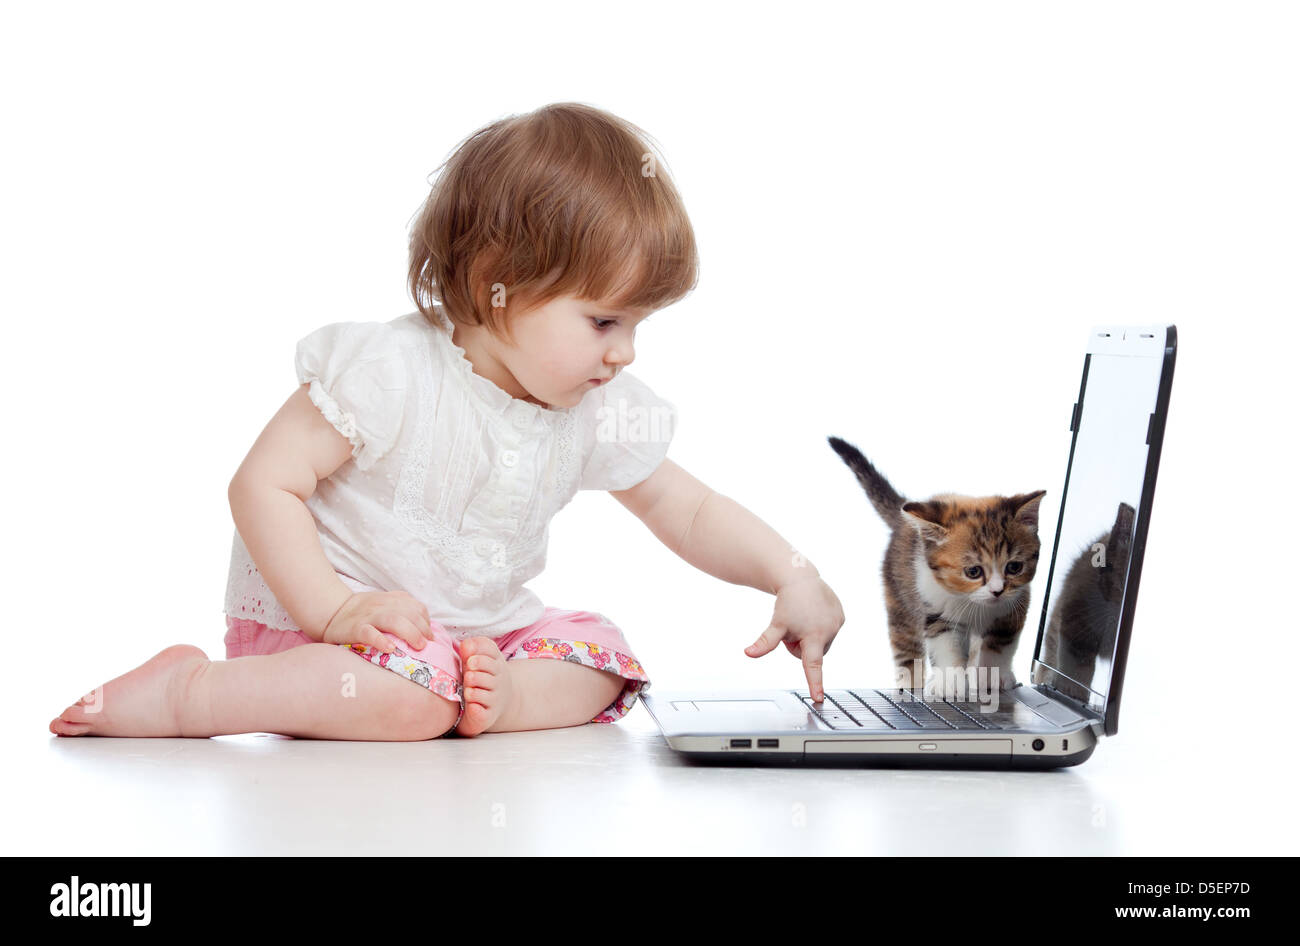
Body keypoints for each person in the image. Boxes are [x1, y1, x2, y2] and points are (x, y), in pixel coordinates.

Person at [49, 102, 845, 742]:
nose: (626, 354)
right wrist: (332, 609)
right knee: (405, 700)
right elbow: (262, 483)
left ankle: (495, 702)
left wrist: (789, 574)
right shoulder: (393, 373)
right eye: (604, 323)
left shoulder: (594, 407)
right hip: (328, 636)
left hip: (474, 642)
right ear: (499, 283)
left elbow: (687, 507)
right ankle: (192, 694)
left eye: (639, 325)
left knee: (606, 659)